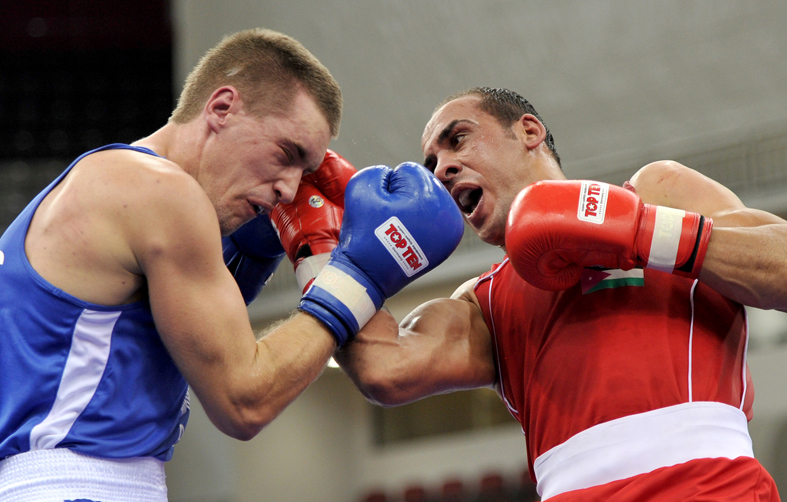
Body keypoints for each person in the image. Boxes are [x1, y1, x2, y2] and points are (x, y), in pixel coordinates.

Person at [0, 28, 464, 502]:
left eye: (304, 172)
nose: (288, 188)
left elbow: (163, 342)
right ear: (222, 108)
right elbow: (244, 400)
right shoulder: (161, 192)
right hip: (78, 485)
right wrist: (360, 275)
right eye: (286, 154)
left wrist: (251, 254)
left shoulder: (104, 184)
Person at [332, 87, 787, 501]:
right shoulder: (484, 302)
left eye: (458, 140)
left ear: (529, 131)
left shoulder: (658, 194)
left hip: (709, 487)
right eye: (431, 164)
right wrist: (328, 250)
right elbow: (384, 368)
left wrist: (641, 231)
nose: (442, 170)